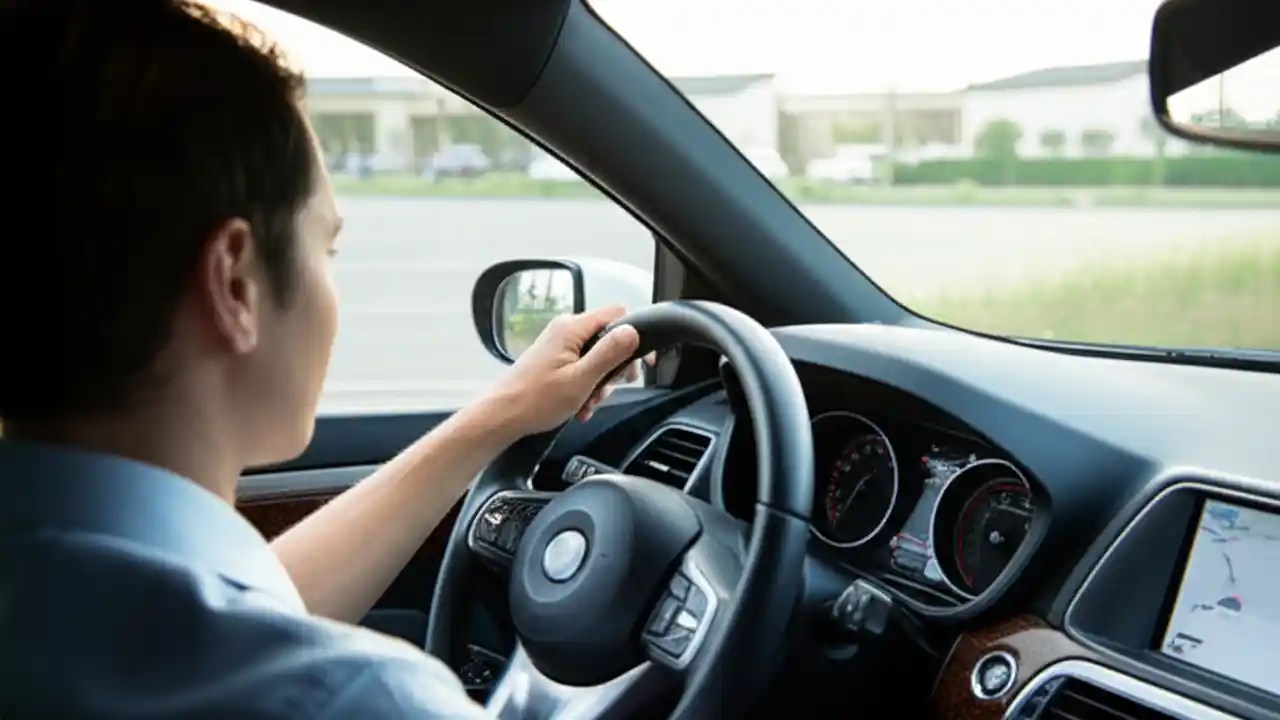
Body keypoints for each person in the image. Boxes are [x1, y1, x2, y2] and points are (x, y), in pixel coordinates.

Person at [0, 0, 642, 716]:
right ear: (236, 284)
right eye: (326, 248)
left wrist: (500, 417)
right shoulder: (356, 699)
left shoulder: (63, 598)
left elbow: (221, 606)